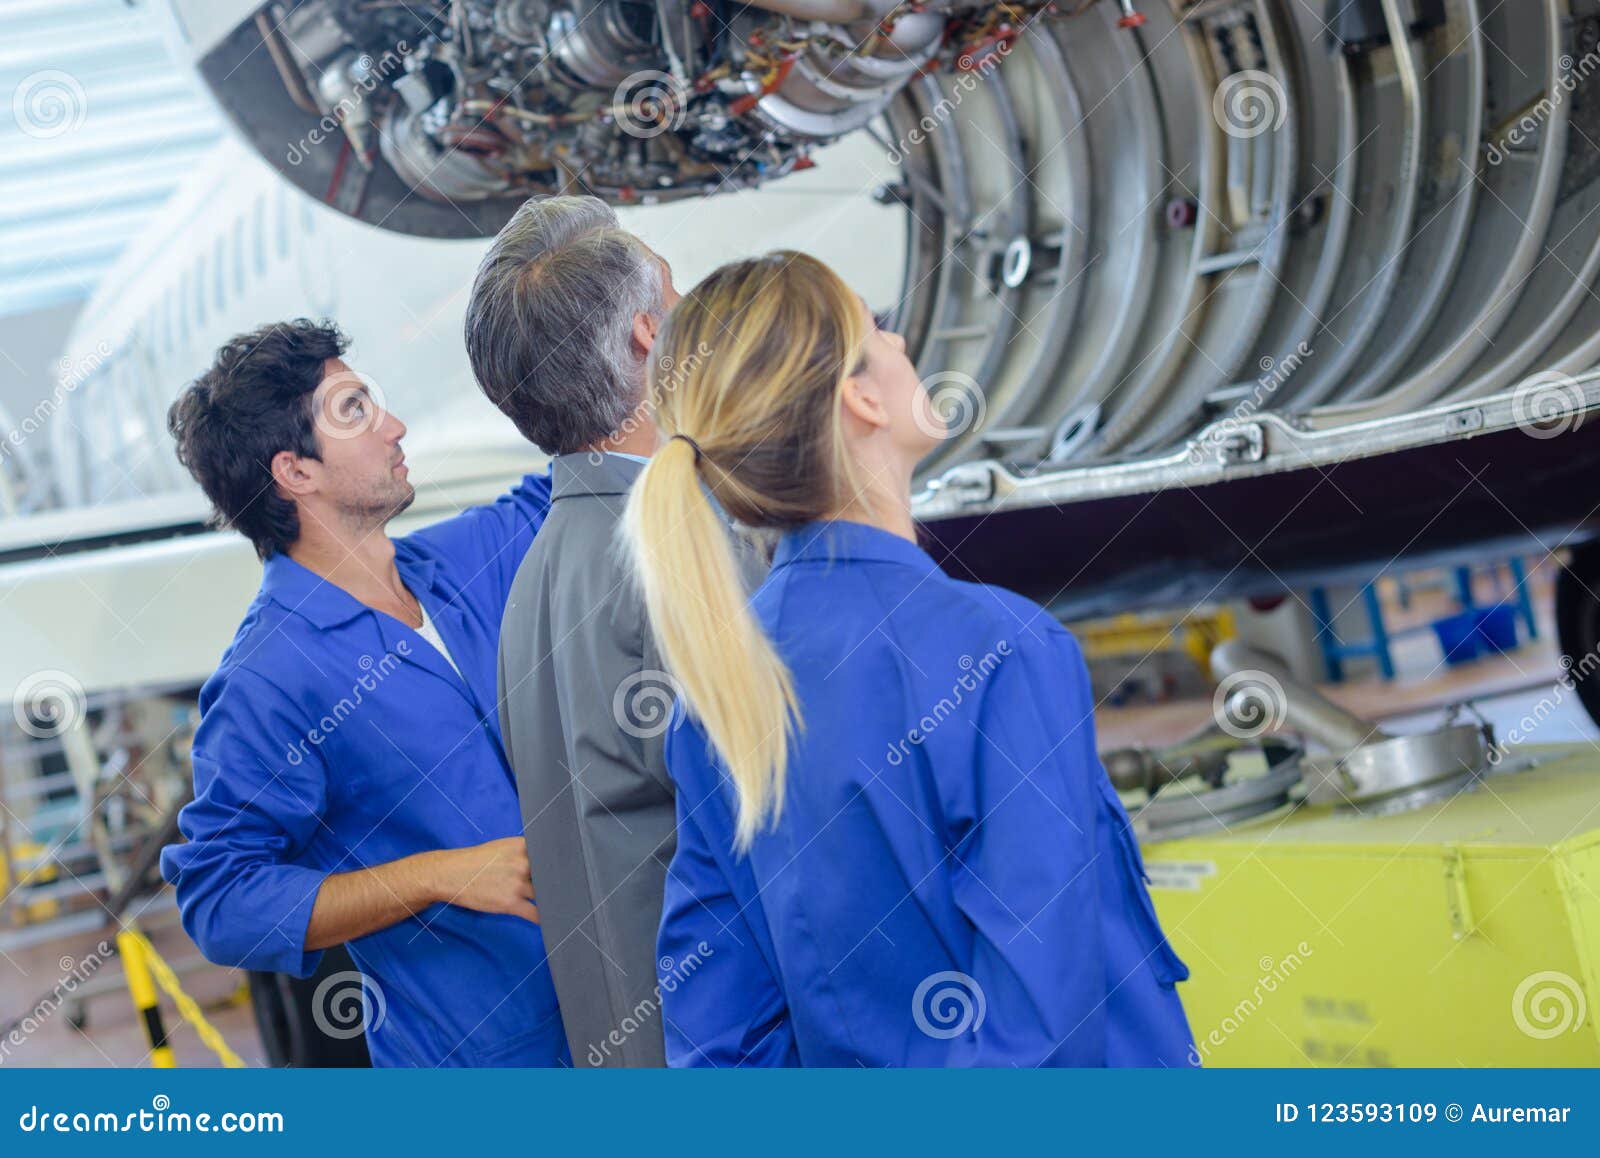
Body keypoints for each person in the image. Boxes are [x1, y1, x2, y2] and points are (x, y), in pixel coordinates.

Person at [619, 252, 1198, 1067]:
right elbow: (1042, 1032)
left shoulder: (719, 691)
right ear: (860, 398)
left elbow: (720, 1035)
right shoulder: (1002, 651)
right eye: (879, 328)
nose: (899, 342)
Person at [160, 320, 567, 1067]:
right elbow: (219, 899)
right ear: (296, 472)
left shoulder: (461, 561)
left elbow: (581, 484)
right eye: (354, 410)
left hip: (615, 1012)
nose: (394, 426)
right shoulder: (269, 677)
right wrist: (438, 876)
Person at [468, 195, 766, 1067]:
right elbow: (781, 838)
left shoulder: (536, 576)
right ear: (649, 336)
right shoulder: (683, 554)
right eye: (676, 298)